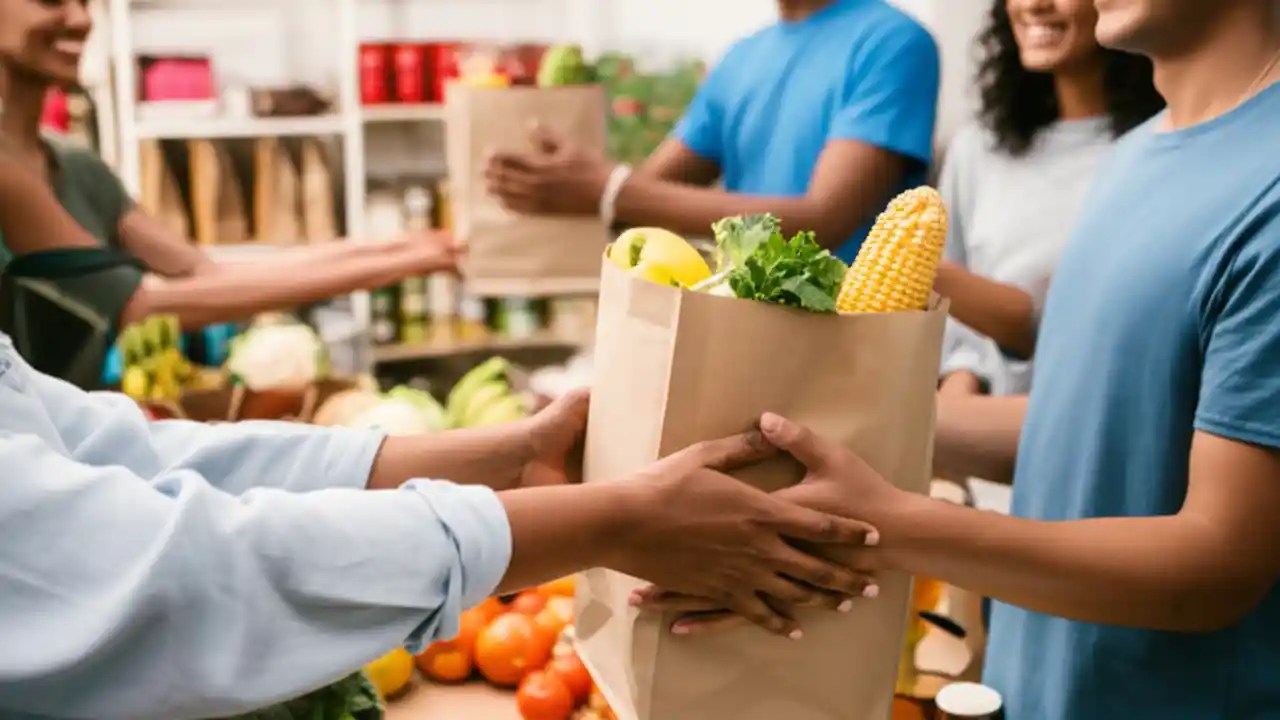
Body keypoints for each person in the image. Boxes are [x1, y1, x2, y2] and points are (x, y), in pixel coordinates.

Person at [634, 1, 1280, 717]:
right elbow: (1090, 427)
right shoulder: (1133, 157)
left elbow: (1220, 564)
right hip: (1025, 689)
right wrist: (793, 433)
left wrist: (889, 526)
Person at [0, 0, 457, 388]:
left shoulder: (77, 166)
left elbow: (204, 275)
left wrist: (414, 247)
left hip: (70, 441)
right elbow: (143, 304)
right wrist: (410, 260)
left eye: (84, 1)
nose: (80, 19)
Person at [485, 0, 941, 262]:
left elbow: (824, 221)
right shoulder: (742, 57)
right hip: (740, 328)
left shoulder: (892, 42)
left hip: (849, 351)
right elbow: (653, 192)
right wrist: (562, 177)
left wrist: (611, 188)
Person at [936, 0, 1162, 397]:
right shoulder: (977, 149)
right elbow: (956, 335)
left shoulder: (1158, 152)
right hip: (977, 433)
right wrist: (959, 391)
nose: (1035, 4)